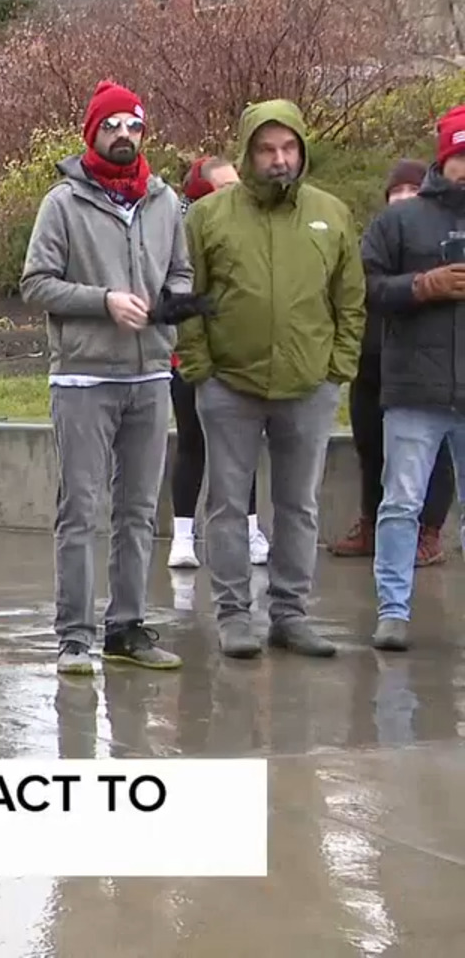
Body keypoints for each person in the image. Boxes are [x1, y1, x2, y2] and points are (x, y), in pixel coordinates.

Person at [20, 81, 204, 676]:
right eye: (112, 125)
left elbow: (180, 271)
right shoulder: (63, 204)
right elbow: (36, 283)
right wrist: (103, 301)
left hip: (151, 374)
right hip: (82, 379)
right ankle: (73, 636)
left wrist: (172, 301)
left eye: (133, 125)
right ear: (92, 133)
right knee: (81, 509)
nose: (123, 135)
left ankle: (127, 628)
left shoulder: (163, 200)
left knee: (138, 509)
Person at [177, 99, 364, 661]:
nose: (279, 160)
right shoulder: (208, 217)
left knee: (299, 505)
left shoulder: (331, 214)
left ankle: (291, 614)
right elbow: (186, 298)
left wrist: (338, 370)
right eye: (267, 149)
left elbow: (350, 300)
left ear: (301, 151)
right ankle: (234, 615)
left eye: (288, 149)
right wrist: (201, 369)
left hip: (309, 387)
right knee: (229, 503)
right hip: (228, 385)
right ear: (248, 152)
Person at [361, 107, 465, 652]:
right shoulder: (398, 221)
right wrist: (421, 286)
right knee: (400, 504)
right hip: (413, 393)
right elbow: (368, 289)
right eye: (460, 157)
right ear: (442, 158)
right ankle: (393, 612)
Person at [330, 157, 453, 565]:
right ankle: (369, 521)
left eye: (410, 191)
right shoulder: (383, 236)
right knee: (371, 447)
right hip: (373, 362)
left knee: (436, 456)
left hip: (431, 370)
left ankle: (429, 531)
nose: (402, 198)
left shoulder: (438, 235)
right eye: (395, 192)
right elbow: (362, 286)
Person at [167, 155, 269, 569]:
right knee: (192, 442)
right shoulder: (181, 237)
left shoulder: (252, 232)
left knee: (241, 448)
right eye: (225, 188)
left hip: (239, 356)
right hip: (190, 358)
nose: (237, 194)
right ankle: (183, 537)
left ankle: (250, 531)